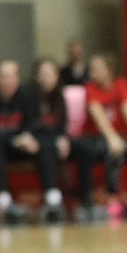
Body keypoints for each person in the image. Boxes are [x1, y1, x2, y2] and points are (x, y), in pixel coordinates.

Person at [0, 60, 62, 225]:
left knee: (44, 143)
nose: (9, 80)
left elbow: (33, 124)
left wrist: (27, 137)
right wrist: (15, 139)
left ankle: (53, 199)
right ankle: (3, 201)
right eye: (4, 76)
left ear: (18, 78)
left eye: (12, 76)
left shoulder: (27, 96)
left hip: (16, 146)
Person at [83, 53, 127, 219]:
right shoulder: (90, 88)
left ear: (109, 70)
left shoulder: (121, 84)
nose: (92, 71)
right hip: (94, 137)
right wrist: (112, 138)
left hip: (117, 136)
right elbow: (97, 114)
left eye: (96, 68)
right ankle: (112, 197)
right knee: (114, 149)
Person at [31, 58, 91, 222]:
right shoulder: (31, 96)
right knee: (47, 147)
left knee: (84, 148)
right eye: (43, 74)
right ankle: (52, 200)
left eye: (50, 74)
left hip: (58, 139)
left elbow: (62, 124)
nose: (47, 78)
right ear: (37, 77)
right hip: (37, 141)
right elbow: (31, 126)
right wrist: (55, 138)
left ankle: (86, 200)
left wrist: (62, 138)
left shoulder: (60, 95)